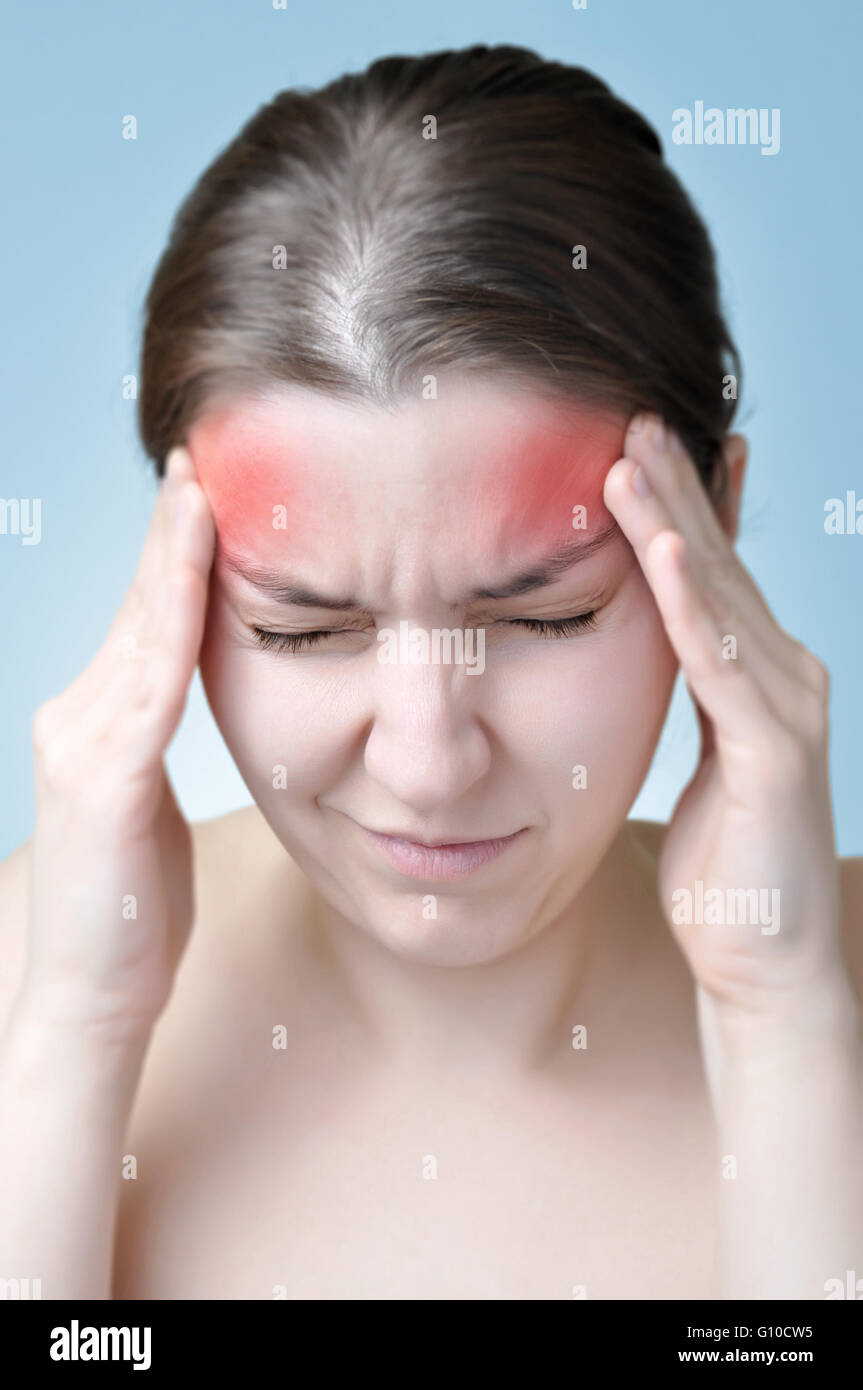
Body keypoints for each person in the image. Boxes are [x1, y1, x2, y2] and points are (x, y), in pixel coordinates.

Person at [1, 44, 861, 1302]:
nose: (426, 758)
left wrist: (782, 1014)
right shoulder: (28, 972)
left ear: (712, 533)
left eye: (546, 614)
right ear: (171, 586)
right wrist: (73, 1032)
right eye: (300, 627)